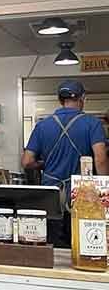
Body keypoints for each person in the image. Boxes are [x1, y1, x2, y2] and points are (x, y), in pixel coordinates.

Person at [22, 80, 109, 245]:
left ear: (60, 100)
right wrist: (106, 188)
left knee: (51, 244)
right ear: (82, 98)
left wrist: (44, 164)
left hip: (51, 194)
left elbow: (27, 162)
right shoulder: (93, 124)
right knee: (83, 242)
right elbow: (100, 158)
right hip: (82, 195)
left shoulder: (42, 126)